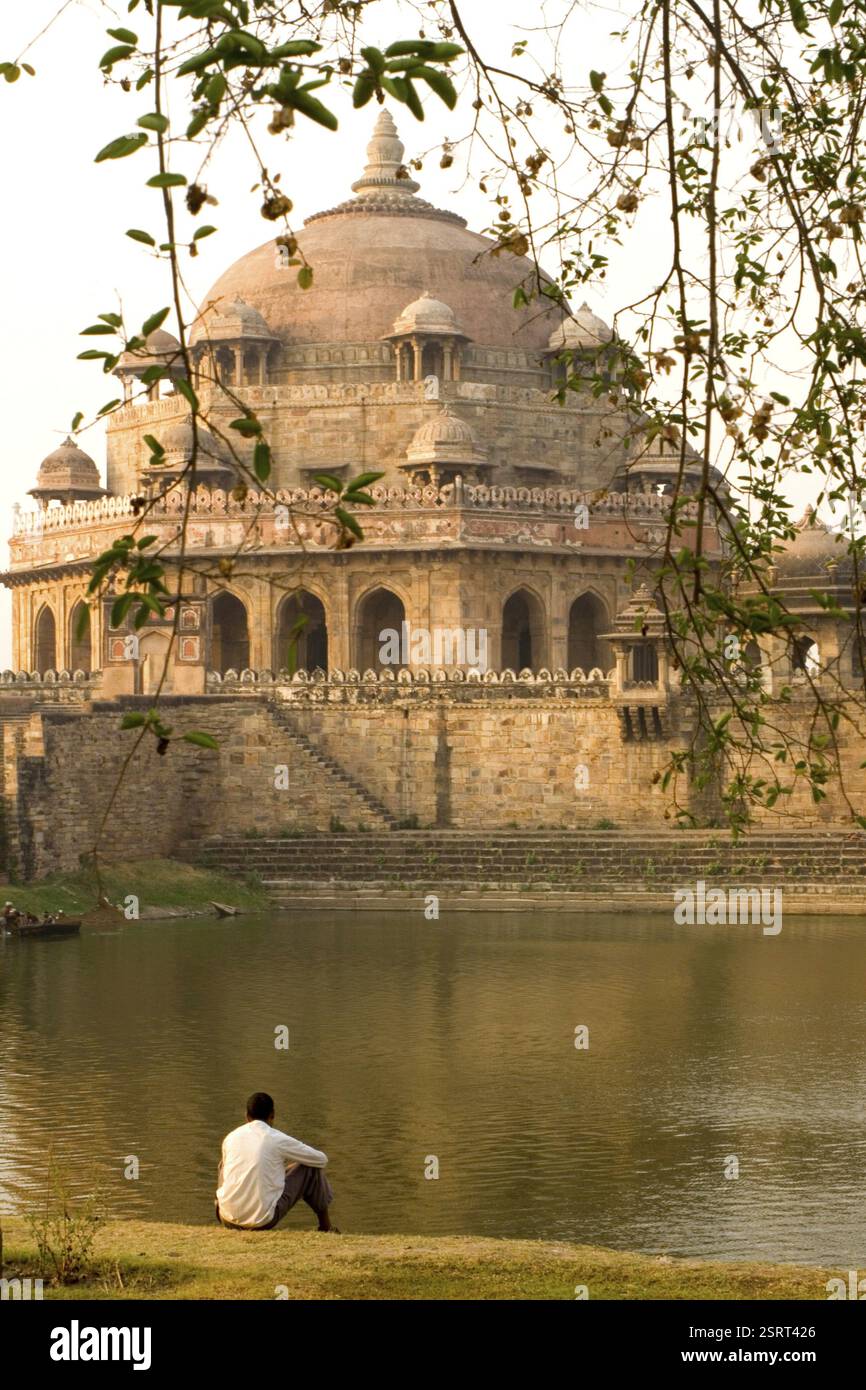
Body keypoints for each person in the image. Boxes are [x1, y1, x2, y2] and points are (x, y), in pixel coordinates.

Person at [215, 1091, 339, 1233]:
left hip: (225, 1217)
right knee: (310, 1168)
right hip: (262, 1221)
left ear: (246, 1116)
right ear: (272, 1115)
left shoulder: (231, 1137)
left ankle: (229, 1208)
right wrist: (292, 1166)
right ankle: (326, 1227)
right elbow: (321, 1159)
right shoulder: (276, 1138)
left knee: (223, 1164)